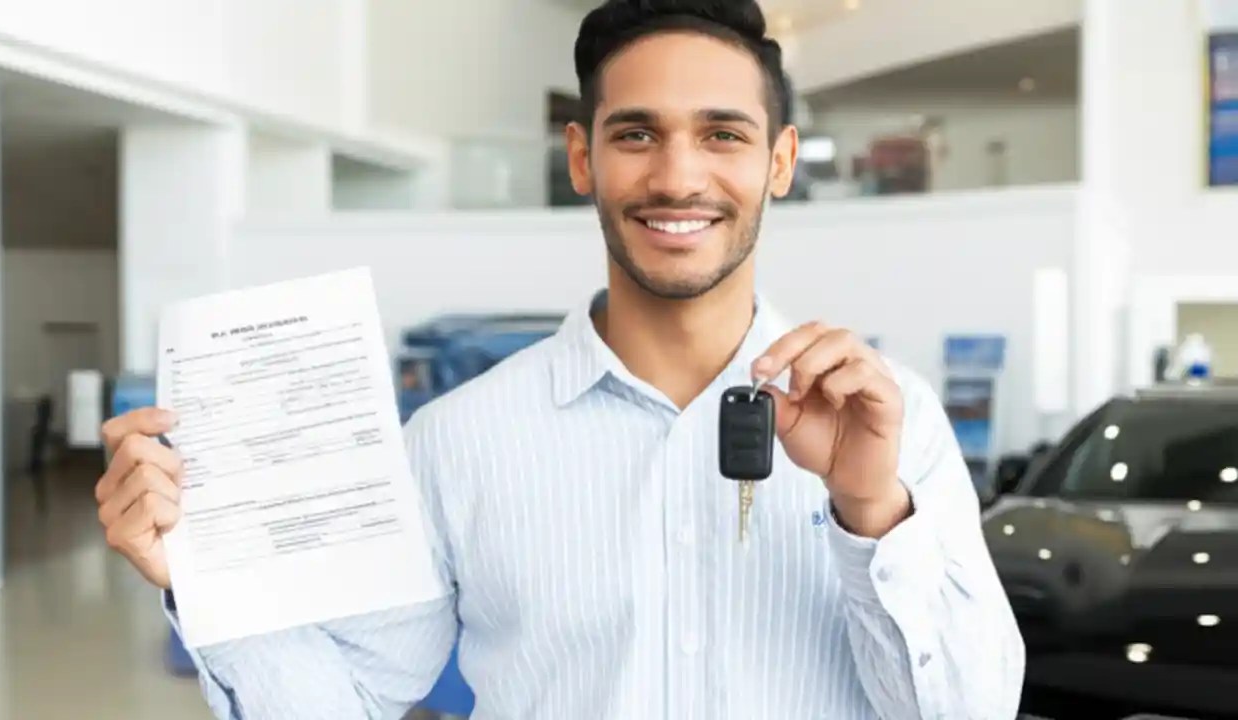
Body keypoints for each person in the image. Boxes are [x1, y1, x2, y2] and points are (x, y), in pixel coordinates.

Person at [94, 1, 1025, 717]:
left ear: (780, 161)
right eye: (636, 133)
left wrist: (871, 513)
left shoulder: (890, 421)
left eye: (723, 133)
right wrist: (206, 582)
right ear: (582, 158)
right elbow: (354, 700)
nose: (677, 176)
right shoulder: (459, 441)